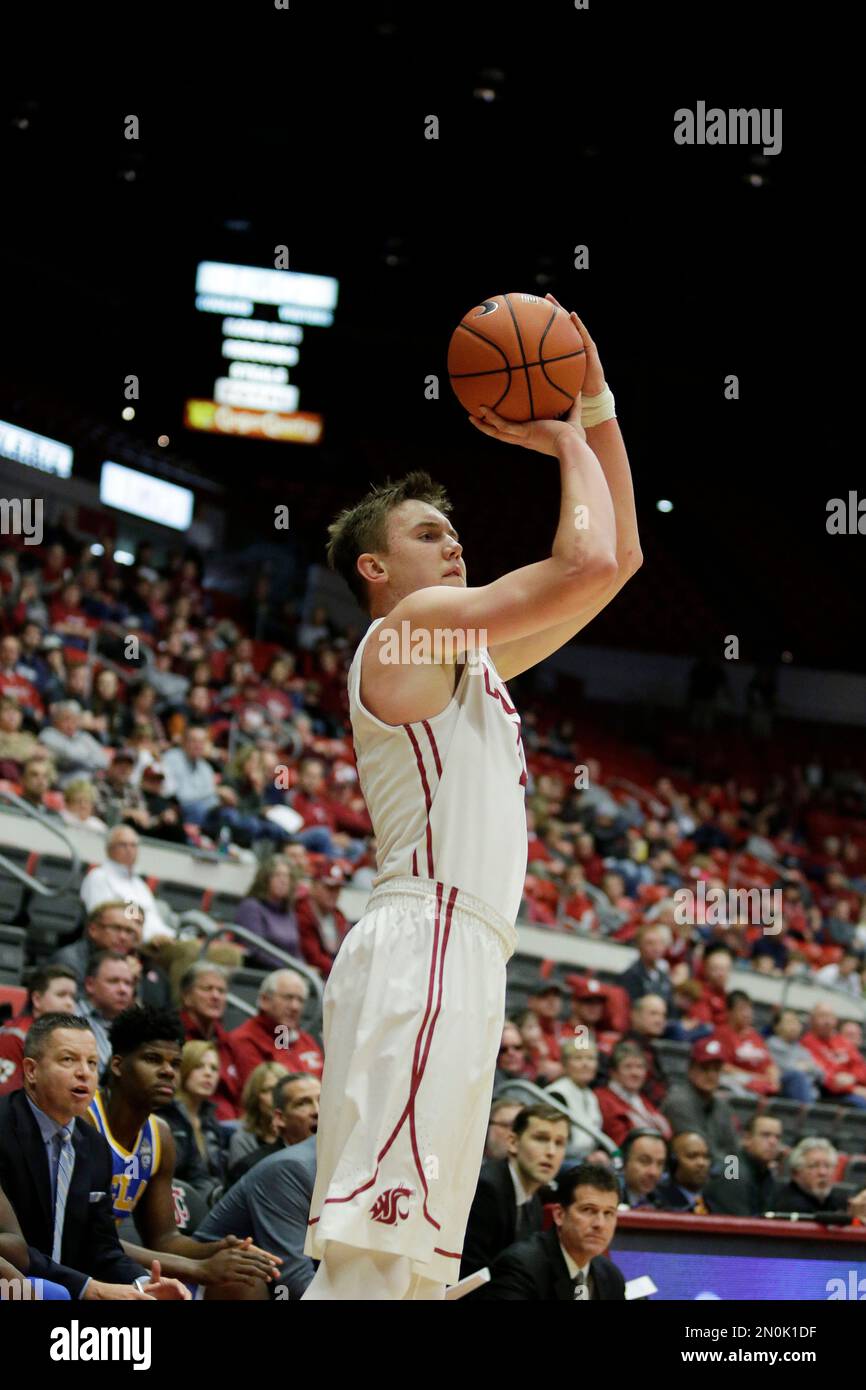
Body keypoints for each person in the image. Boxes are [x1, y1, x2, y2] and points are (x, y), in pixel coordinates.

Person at [304, 308, 640, 1301]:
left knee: (406, 1269)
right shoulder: (406, 633)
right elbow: (577, 561)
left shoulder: (469, 659)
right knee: (374, 1257)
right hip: (424, 943)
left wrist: (596, 403)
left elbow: (613, 562)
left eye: (454, 532)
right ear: (376, 567)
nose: (451, 545)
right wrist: (562, 437)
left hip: (463, 954)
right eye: (425, 533)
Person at [85, 1005, 283, 1297]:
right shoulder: (86, 1121)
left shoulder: (160, 1135)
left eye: (175, 1063)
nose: (167, 1071)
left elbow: (164, 1238)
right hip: (78, 1259)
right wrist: (200, 1268)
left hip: (114, 1260)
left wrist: (217, 1249)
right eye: (153, 1059)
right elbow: (90, 1239)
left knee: (242, 1277)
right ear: (117, 1065)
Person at [0, 1014, 186, 1299]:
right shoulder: (3, 1127)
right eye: (68, 1060)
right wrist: (91, 1289)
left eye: (91, 1063)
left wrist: (143, 1282)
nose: (84, 1073)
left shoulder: (94, 1144)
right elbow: (13, 1249)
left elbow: (102, 1246)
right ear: (31, 1071)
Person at [195, 1134, 318, 1299]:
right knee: (244, 1277)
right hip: (221, 1284)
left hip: (282, 1285)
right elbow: (296, 1282)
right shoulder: (293, 1168)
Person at [460, 1105, 570, 1283]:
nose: (551, 1152)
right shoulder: (486, 1189)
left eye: (559, 1143)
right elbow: (471, 1276)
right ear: (513, 1142)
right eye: (541, 1139)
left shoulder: (534, 1204)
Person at [484, 1162, 625, 1300]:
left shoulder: (611, 1278)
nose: (599, 1224)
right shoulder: (520, 1268)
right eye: (588, 1210)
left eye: (608, 1213)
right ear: (559, 1215)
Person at [156, 1041, 227, 1202]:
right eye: (199, 1066)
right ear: (182, 1069)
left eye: (214, 1068)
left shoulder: (210, 1119)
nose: (208, 1073)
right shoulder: (165, 1115)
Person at [80, 825, 174, 945]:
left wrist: (174, 936)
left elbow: (154, 920)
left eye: (133, 845)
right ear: (109, 849)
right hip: (135, 942)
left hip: (162, 938)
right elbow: (103, 920)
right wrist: (147, 937)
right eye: (123, 845)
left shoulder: (140, 885)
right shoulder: (99, 877)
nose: (129, 850)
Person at [229, 969, 323, 1085]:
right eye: (288, 998)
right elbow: (260, 1095)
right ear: (265, 1000)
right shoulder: (245, 1040)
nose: (295, 1007)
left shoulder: (307, 1041)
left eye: (300, 1000)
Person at [226, 1071, 320, 1187]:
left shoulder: (343, 1159)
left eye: (322, 1100)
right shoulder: (252, 1169)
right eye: (302, 1103)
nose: (317, 1111)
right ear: (280, 1118)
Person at [661, 1036, 740, 1170]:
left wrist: (732, 1177)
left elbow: (733, 1150)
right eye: (705, 1068)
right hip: (683, 1175)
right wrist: (730, 1173)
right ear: (690, 1069)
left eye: (716, 1069)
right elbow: (701, 1149)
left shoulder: (723, 1107)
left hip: (717, 1173)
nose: (711, 1075)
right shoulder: (678, 1102)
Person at [0, 965, 78, 1096]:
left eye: (73, 997)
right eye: (61, 995)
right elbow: (7, 1096)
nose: (69, 1003)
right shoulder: (13, 1037)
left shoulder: (74, 1040)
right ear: (36, 999)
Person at [178, 962, 242, 1119]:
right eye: (207, 989)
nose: (216, 996)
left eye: (221, 991)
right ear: (187, 997)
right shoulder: (172, 1035)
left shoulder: (229, 1041)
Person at [594, 1043, 673, 1149]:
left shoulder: (642, 1099)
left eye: (640, 1067)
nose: (635, 1073)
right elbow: (621, 1142)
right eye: (628, 1067)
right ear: (613, 1072)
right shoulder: (602, 1098)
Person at [703, 1114, 783, 1216]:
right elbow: (738, 1224)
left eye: (778, 1137)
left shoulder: (765, 1172)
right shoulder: (731, 1170)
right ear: (747, 1138)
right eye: (765, 1135)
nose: (773, 1142)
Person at [234, 855, 303, 969]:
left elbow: (295, 951)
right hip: (260, 972)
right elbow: (256, 951)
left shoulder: (288, 912)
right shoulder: (251, 907)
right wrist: (291, 969)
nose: (284, 881)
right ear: (264, 879)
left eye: (288, 876)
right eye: (277, 875)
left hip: (289, 973)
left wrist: (303, 968)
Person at [772, 1137, 866, 1219]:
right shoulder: (788, 1205)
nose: (823, 1172)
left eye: (828, 1166)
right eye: (814, 1166)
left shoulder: (836, 1201)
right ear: (796, 1173)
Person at [545, 1039, 606, 1158]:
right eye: (578, 1058)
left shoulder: (590, 1095)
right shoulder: (556, 1093)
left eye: (590, 1058)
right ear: (565, 1064)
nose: (585, 1064)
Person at [78, 951, 137, 1073]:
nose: (123, 990)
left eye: (128, 983)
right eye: (113, 981)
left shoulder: (135, 1025)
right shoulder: (69, 1018)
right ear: (90, 984)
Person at [228, 1062, 291, 1171]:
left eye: (279, 1090)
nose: (275, 1097)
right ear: (255, 1098)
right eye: (268, 1090)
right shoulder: (242, 1140)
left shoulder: (301, 1133)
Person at [801, 1003, 866, 1108]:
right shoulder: (807, 1043)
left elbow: (861, 1068)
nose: (827, 1021)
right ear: (811, 1020)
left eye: (830, 1017)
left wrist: (853, 1078)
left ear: (836, 1020)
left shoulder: (843, 1041)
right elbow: (825, 1077)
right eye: (822, 1016)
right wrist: (853, 1088)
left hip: (855, 1089)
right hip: (831, 1095)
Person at [294, 861, 352, 977]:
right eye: (329, 888)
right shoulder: (302, 911)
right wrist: (343, 972)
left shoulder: (339, 916)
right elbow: (313, 956)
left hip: (334, 973)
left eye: (338, 889)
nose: (334, 894)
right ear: (314, 886)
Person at [38, 699, 111, 785]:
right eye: (66, 719)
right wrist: (88, 759)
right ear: (56, 721)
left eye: (74, 719)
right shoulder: (48, 734)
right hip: (63, 782)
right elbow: (70, 755)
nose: (70, 724)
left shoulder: (84, 736)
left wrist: (83, 762)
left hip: (89, 781)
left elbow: (103, 761)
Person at [765, 1008, 823, 1104]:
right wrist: (805, 1068)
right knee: (796, 1076)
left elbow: (820, 1073)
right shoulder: (771, 1045)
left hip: (809, 1092)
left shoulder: (802, 1049)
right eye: (789, 1022)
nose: (794, 1026)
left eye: (796, 1022)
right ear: (776, 1027)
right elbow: (785, 1070)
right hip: (783, 1089)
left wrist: (806, 1067)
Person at [654, 1132, 714, 1213]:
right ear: (673, 1162)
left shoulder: (716, 1200)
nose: (701, 1163)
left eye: (706, 1156)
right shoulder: (658, 1201)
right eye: (692, 1156)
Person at [618, 924, 674, 1005]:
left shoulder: (664, 976)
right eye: (650, 943)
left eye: (660, 943)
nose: (656, 948)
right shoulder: (630, 976)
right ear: (639, 946)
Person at [618, 1129, 667, 1209]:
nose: (653, 1172)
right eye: (644, 1161)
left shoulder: (664, 1200)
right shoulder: (608, 1197)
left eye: (660, 1163)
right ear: (624, 1161)